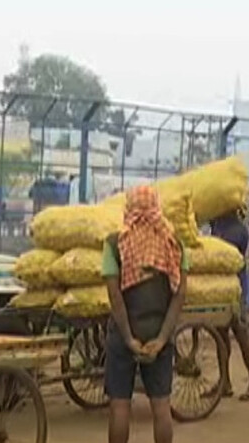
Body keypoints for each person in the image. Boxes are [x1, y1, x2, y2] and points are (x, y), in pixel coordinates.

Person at [103, 186, 188, 443]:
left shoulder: (114, 244)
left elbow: (114, 295)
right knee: (161, 407)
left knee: (120, 406)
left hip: (123, 334)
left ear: (129, 208)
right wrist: (162, 339)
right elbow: (180, 295)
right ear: (156, 208)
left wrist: (128, 338)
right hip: (158, 333)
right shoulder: (174, 243)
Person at [208, 207, 249, 401]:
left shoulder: (237, 230)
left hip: (235, 287)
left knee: (240, 331)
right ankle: (225, 382)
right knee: (220, 333)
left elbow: (228, 255)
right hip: (219, 287)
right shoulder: (217, 224)